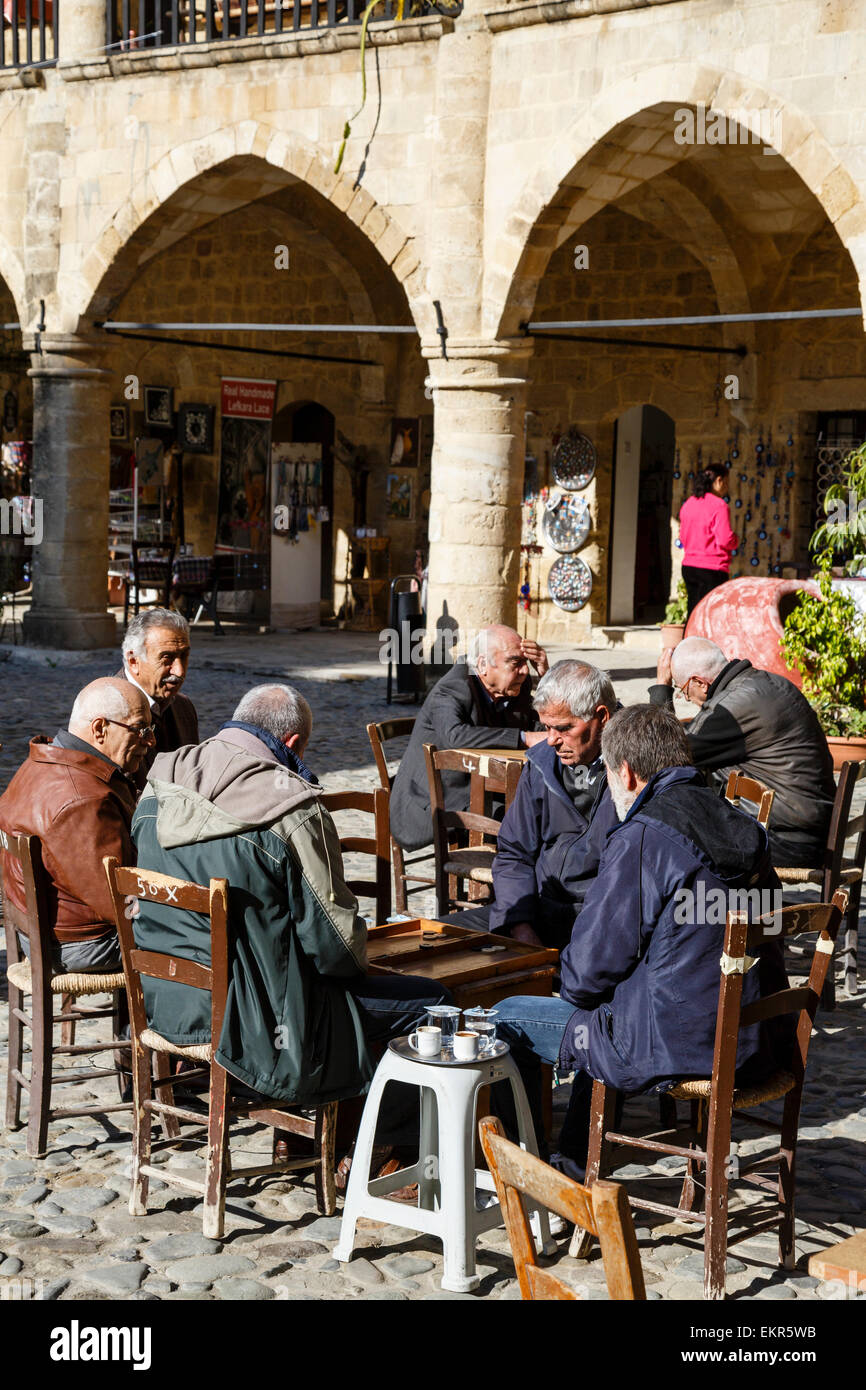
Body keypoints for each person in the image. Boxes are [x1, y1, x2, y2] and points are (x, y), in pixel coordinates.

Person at [130, 683, 452, 1129]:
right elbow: (335, 949)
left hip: (166, 1000)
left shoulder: (157, 786)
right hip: (259, 1023)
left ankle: (305, 1136)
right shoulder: (293, 809)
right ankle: (377, 1149)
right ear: (294, 743)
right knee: (434, 1004)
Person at [492, 704, 788, 1180]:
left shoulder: (643, 837)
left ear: (625, 772)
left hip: (675, 1044)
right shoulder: (745, 827)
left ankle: (539, 1175)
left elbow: (585, 975)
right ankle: (573, 1159)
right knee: (609, 1006)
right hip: (755, 1040)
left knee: (507, 1017)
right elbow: (763, 929)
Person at [0, 678, 153, 972]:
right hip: (82, 945)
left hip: (36, 933)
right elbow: (121, 905)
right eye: (141, 730)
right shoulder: (85, 801)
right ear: (100, 729)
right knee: (208, 935)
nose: (150, 741)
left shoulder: (40, 761)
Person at [651, 636, 836, 867]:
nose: (687, 698)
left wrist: (662, 688)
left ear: (700, 682)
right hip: (813, 826)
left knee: (674, 833)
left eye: (684, 691)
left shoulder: (730, 707)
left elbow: (664, 753)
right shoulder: (764, 682)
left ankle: (698, 892)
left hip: (789, 838)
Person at [488, 660, 620, 949]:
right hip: (540, 911)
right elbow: (514, 852)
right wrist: (520, 927)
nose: (551, 741)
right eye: (546, 727)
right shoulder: (542, 763)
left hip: (603, 923)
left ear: (602, 716)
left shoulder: (635, 766)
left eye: (563, 728)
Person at [390, 625, 549, 852]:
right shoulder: (454, 686)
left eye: (527, 663)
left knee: (541, 806)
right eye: (515, 662)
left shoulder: (513, 686)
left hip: (483, 785)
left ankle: (520, 871)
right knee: (519, 816)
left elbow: (540, 727)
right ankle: (496, 872)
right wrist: (524, 738)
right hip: (437, 796)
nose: (524, 671)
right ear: (483, 664)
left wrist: (545, 675)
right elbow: (456, 735)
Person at [118, 608, 199, 788]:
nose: (179, 671)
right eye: (166, 658)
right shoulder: (112, 712)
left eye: (184, 656)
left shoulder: (183, 706)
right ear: (133, 661)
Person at [677, 463, 738, 616]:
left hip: (689, 567)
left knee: (693, 614)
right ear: (719, 481)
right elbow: (725, 539)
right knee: (711, 616)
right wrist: (736, 540)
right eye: (726, 483)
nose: (726, 488)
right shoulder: (720, 506)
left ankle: (689, 633)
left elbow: (682, 537)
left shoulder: (688, 504)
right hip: (712, 569)